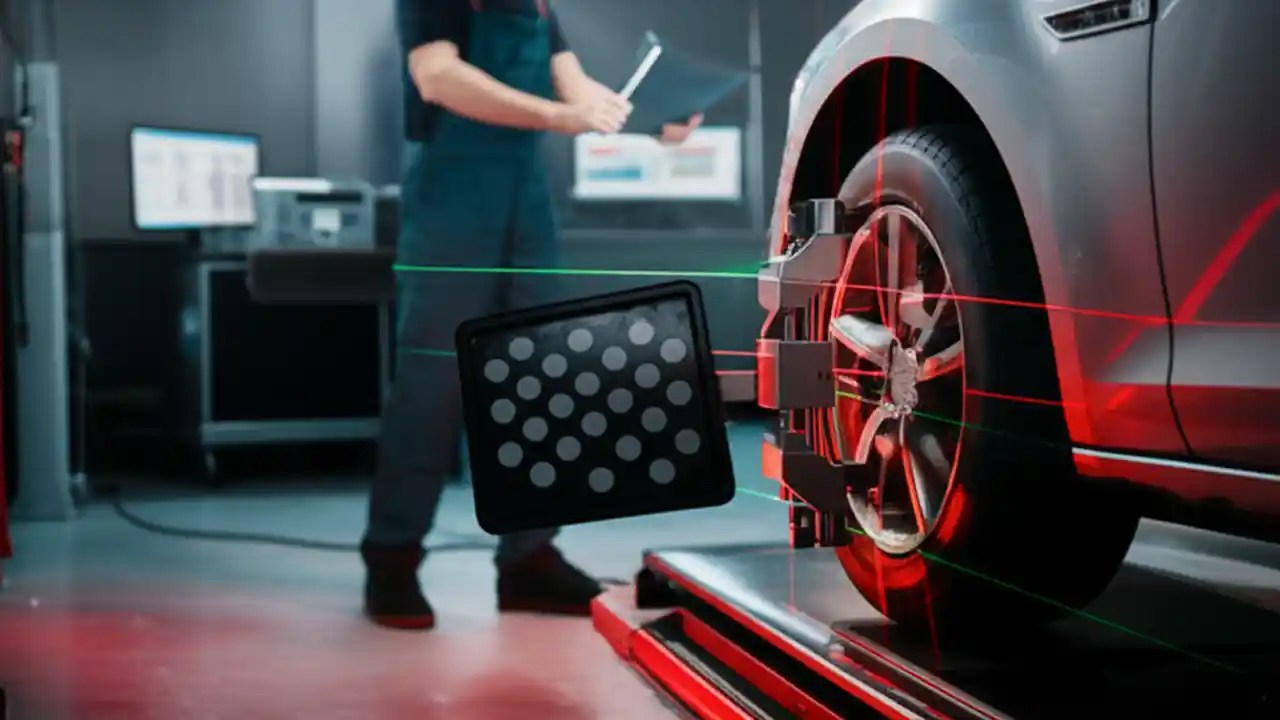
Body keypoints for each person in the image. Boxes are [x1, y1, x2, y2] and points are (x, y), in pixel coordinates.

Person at [362, 0, 702, 630]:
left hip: (527, 197)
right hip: (453, 197)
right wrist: (556, 117)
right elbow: (437, 76)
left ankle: (528, 558)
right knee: (432, 384)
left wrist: (652, 121)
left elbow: (576, 87)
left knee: (538, 375)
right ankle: (393, 556)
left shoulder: (538, 5)